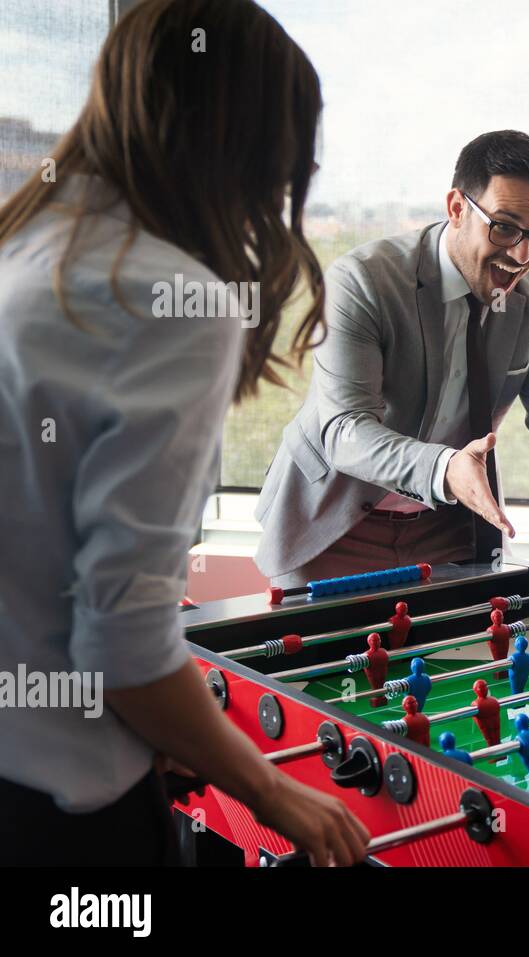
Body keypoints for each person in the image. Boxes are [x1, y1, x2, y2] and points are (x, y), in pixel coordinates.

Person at [0, 0, 368, 865]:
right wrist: (277, 792)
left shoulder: (25, 248)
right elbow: (123, 639)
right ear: (244, 144)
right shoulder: (170, 298)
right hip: (70, 820)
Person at [254, 131, 529, 586]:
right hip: (334, 524)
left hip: (447, 525)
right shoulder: (362, 281)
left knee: (453, 654)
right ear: (458, 208)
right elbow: (344, 430)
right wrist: (445, 468)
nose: (522, 254)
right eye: (504, 226)